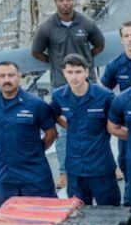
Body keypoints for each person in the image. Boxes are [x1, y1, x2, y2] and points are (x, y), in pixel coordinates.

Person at [0, 61, 58, 201]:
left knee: (44, 216)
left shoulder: (36, 105)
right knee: (10, 219)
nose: (7, 80)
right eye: (2, 76)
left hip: (35, 175)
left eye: (11, 75)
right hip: (5, 177)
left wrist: (34, 151)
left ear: (19, 76)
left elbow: (51, 134)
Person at [49, 55, 120, 206]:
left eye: (78, 72)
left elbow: (117, 121)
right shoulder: (59, 96)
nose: (74, 77)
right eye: (70, 72)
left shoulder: (105, 96)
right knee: (79, 212)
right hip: (75, 168)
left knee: (110, 212)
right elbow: (54, 115)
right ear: (64, 73)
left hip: (101, 166)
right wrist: (70, 127)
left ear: (87, 72)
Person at [31, 0, 105, 82]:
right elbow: (36, 52)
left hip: (86, 80)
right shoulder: (46, 28)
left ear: (72, 1)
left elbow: (100, 45)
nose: (65, 3)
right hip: (61, 82)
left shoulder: (87, 23)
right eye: (61, 0)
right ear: (56, 3)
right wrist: (55, 61)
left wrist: (86, 57)